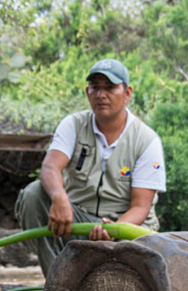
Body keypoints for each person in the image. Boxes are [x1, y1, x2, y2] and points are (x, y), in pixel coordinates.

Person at [15, 58, 166, 275]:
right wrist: (60, 198)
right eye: (95, 87)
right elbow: (50, 167)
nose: (101, 95)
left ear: (127, 93)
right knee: (33, 195)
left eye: (110, 87)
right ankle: (59, 284)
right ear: (87, 92)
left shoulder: (147, 140)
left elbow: (141, 207)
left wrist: (113, 229)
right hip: (78, 222)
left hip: (125, 228)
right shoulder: (73, 125)